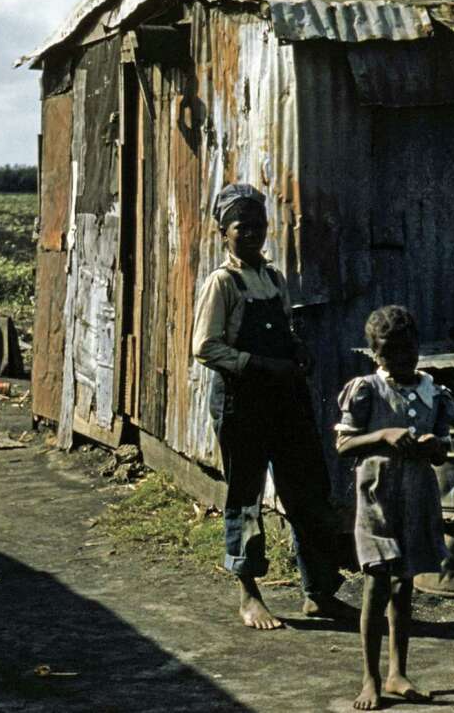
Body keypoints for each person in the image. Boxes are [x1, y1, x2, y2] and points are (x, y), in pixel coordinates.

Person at [192, 183, 351, 629]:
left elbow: (284, 327)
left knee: (307, 490)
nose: (252, 234)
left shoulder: (274, 278)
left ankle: (319, 592)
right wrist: (256, 363)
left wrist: (298, 349)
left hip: (286, 397)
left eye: (259, 226)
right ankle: (248, 594)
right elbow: (204, 346)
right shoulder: (222, 283)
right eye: (242, 227)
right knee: (245, 496)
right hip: (242, 401)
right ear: (223, 232)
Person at [335, 305, 454, 710]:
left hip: (417, 497)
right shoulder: (367, 389)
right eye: (388, 353)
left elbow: (443, 449)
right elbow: (344, 444)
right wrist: (384, 434)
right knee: (376, 584)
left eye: (407, 350)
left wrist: (435, 448)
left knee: (404, 586)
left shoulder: (433, 392)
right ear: (374, 354)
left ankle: (397, 672)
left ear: (418, 347)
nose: (399, 359)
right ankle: (369, 678)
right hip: (377, 501)